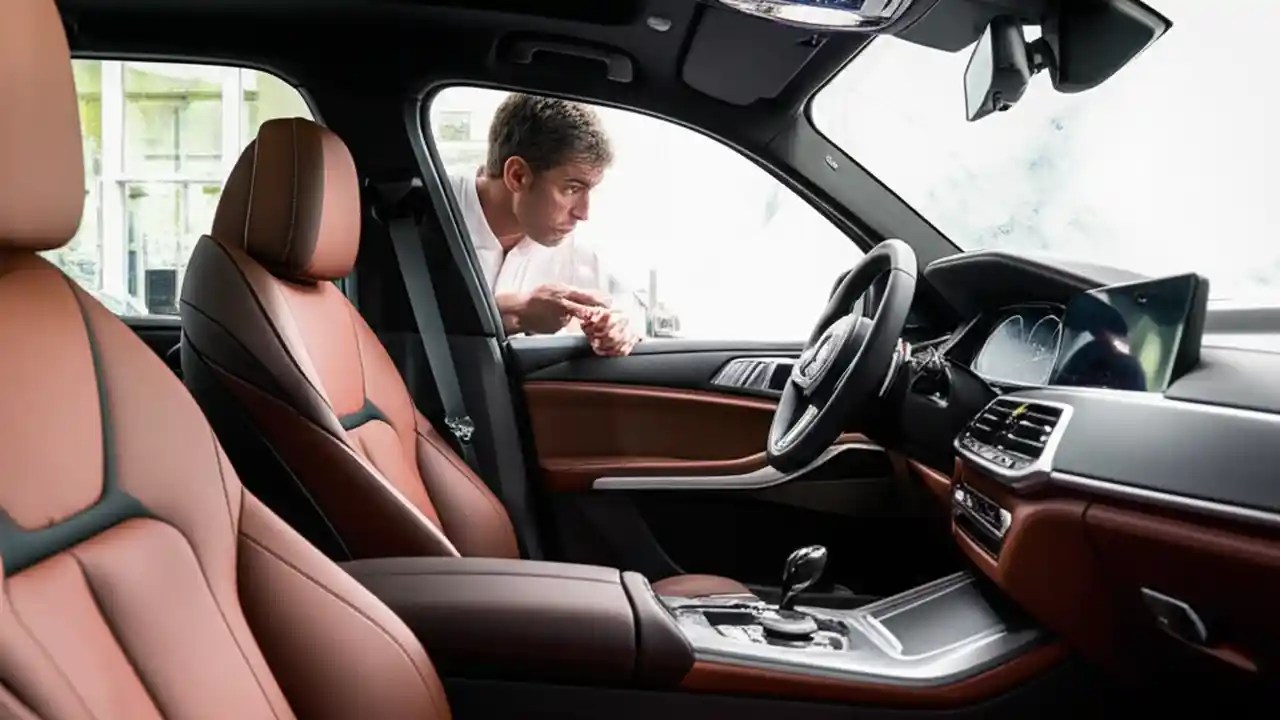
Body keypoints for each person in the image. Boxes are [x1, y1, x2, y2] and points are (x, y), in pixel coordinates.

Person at [447, 93, 640, 356]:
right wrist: (517, 312)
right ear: (517, 176)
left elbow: (625, 311)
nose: (584, 213)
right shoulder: (423, 216)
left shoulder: (577, 249)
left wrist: (617, 328)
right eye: (572, 188)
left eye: (589, 191)